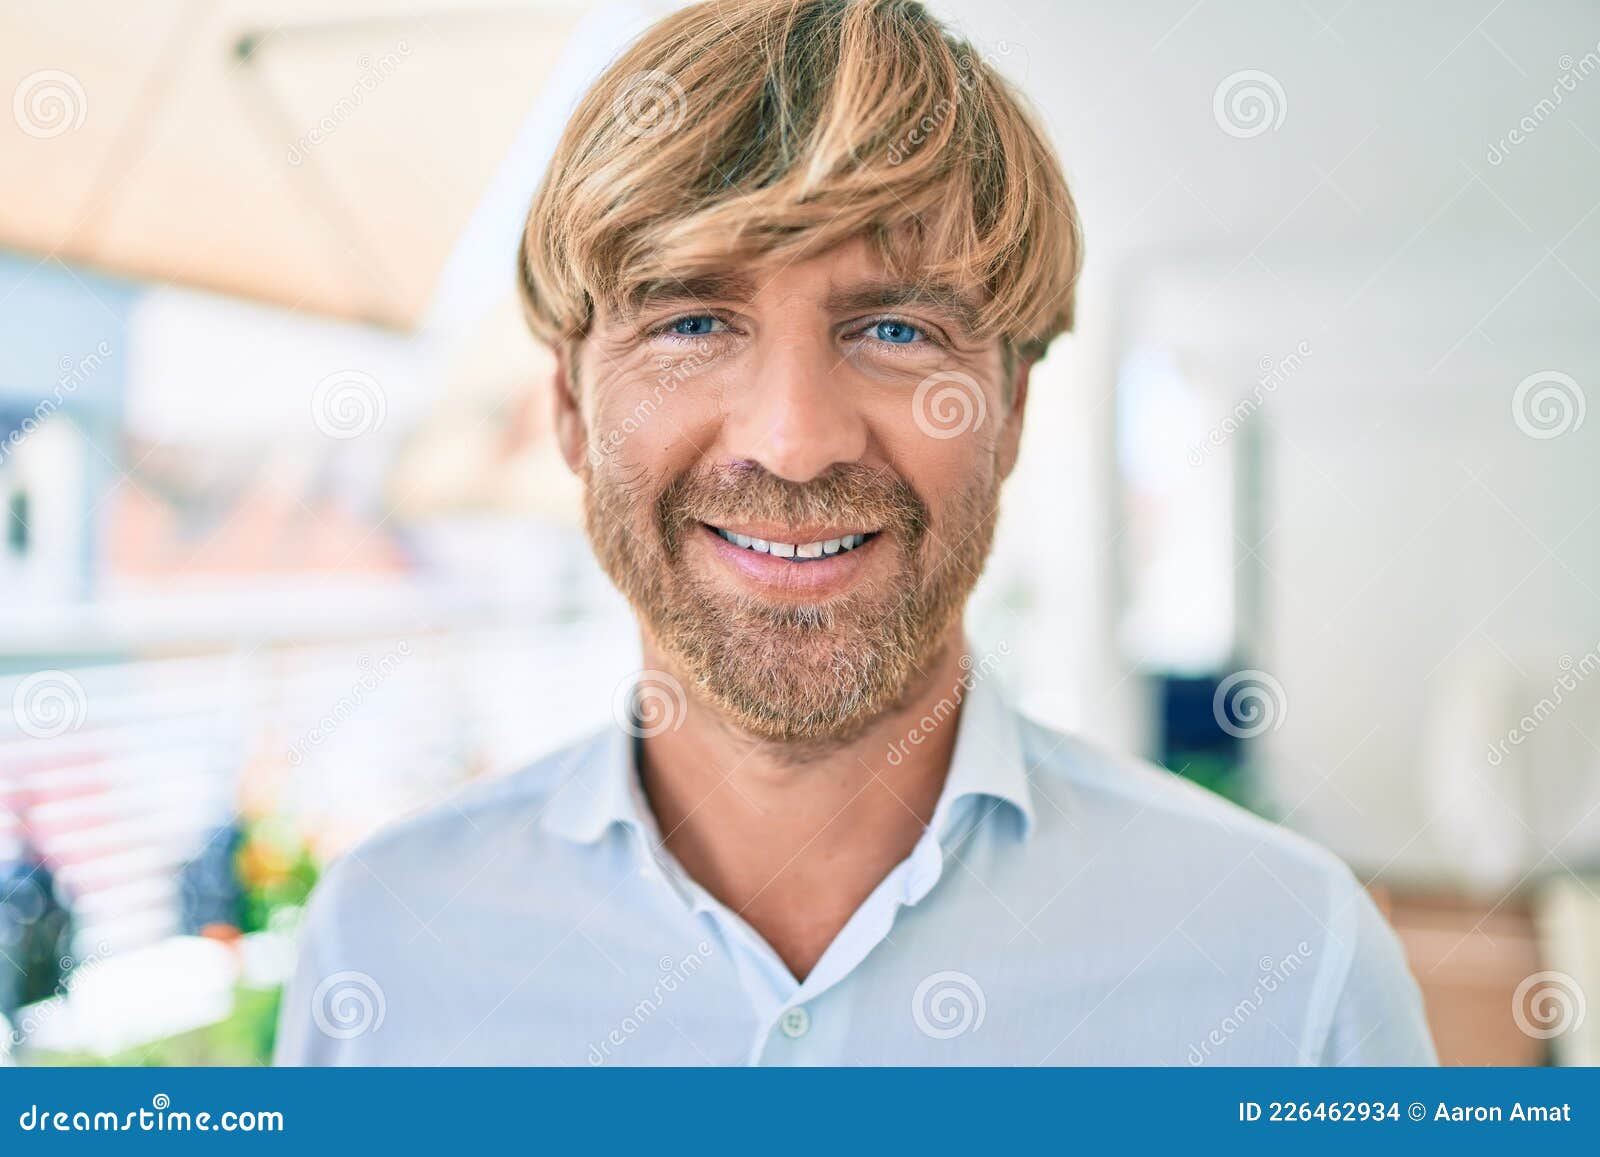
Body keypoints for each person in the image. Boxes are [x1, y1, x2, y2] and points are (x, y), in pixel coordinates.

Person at [276, 0, 1435, 1065]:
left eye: (895, 328)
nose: (794, 440)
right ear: (572, 410)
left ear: (1010, 409)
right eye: (691, 321)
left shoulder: (1292, 966)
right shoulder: (385, 950)